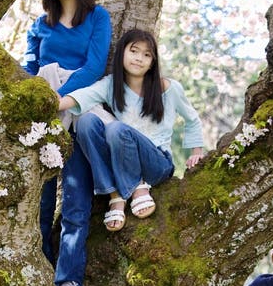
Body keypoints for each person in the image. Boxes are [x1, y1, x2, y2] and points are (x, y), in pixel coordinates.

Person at [24, 0, 112, 286]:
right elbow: (28, 69)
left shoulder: (98, 18)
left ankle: (68, 282)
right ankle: (41, 273)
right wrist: (39, 98)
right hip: (41, 119)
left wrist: (60, 97)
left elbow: (94, 68)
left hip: (79, 110)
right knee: (40, 204)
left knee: (76, 201)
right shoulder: (39, 25)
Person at [58, 28, 204, 231]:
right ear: (122, 53)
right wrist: (54, 103)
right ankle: (114, 194)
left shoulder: (169, 88)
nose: (139, 59)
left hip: (157, 163)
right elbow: (83, 96)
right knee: (85, 122)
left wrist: (196, 152)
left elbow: (192, 119)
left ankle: (138, 188)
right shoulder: (111, 85)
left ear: (153, 62)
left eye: (147, 55)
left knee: (116, 129)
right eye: (134, 51)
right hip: (123, 161)